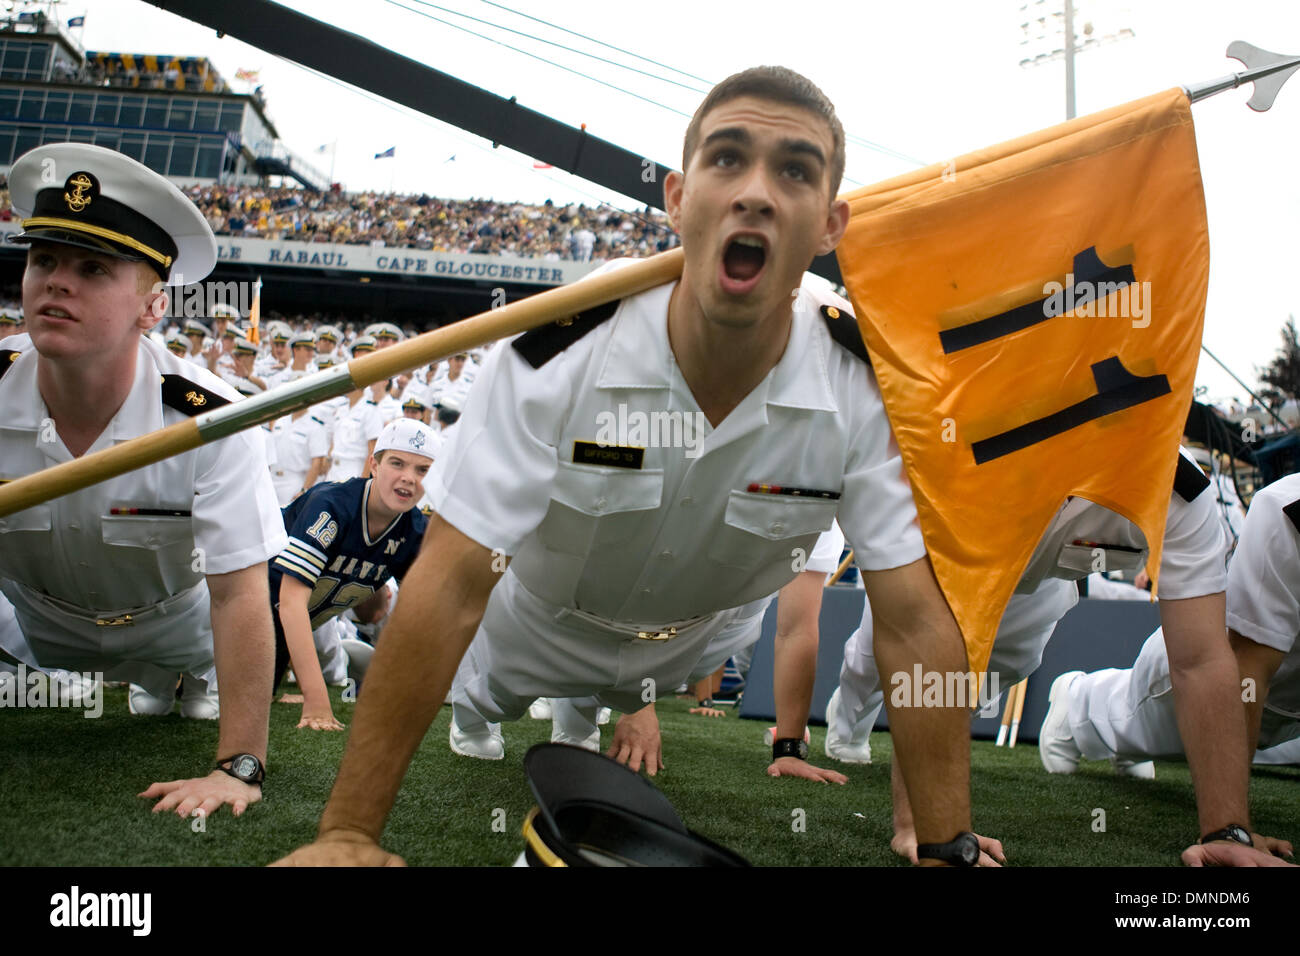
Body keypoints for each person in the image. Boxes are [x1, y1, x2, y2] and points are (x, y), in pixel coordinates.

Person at [275, 66, 972, 866]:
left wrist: (945, 844)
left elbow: (916, 621)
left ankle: (606, 708)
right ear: (677, 198)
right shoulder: (561, 344)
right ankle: (488, 717)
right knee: (478, 705)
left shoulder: (867, 379)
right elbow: (454, 578)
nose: (754, 192)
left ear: (830, 224)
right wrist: (348, 834)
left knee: (608, 711)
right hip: (539, 621)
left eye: (795, 170)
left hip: (701, 637)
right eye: (726, 159)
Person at [815, 452, 1286, 865]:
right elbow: (928, 639)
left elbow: (1202, 659)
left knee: (1010, 661)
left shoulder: (1182, 494)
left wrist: (1229, 829)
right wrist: (926, 824)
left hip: (1044, 575)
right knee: (880, 648)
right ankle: (849, 719)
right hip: (948, 536)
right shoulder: (973, 456)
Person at [0, 142, 285, 817]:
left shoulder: (210, 420)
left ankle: (179, 684)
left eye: (93, 268)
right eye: (44, 260)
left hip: (173, 629)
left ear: (152, 308)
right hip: (27, 632)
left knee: (183, 695)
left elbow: (240, 594)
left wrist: (239, 767)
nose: (57, 282)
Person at [1037, 472, 1300, 865]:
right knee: (1136, 716)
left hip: (1288, 719)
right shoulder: (1288, 506)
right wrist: (1234, 829)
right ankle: (1075, 703)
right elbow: (1247, 671)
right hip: (1227, 679)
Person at [269, 418, 433, 731]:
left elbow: (415, 616)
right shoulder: (330, 505)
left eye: (422, 470)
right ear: (374, 464)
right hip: (238, 615)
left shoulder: (413, 530)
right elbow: (289, 602)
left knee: (261, 695)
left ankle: (337, 660)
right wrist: (316, 700)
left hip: (281, 634)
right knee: (209, 699)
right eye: (397, 463)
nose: (409, 478)